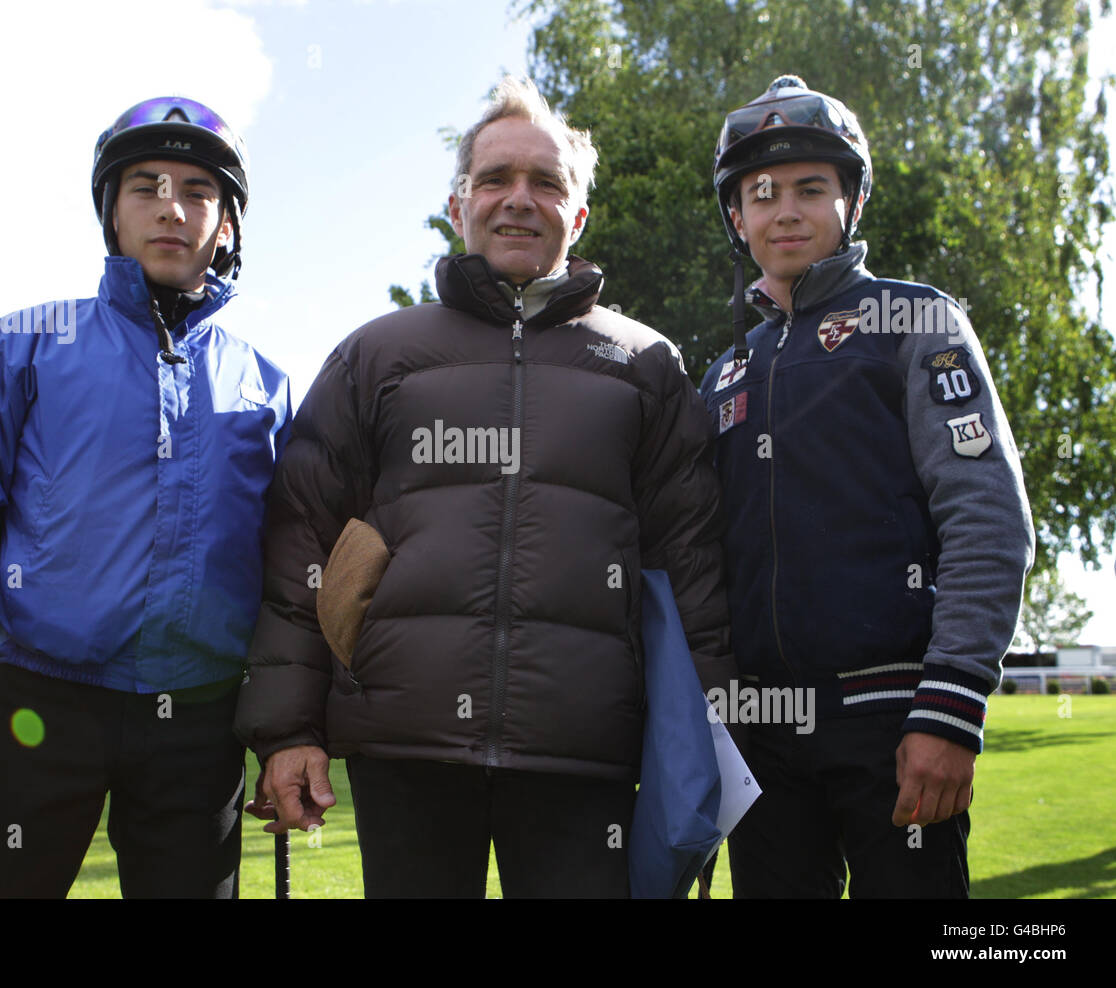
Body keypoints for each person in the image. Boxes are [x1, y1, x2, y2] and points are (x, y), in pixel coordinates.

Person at [235, 75, 734, 898]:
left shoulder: (646, 367)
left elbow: (693, 577)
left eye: (546, 182)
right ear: (458, 203)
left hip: (587, 756)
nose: (518, 199)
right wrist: (288, 729)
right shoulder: (376, 356)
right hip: (407, 749)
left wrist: (704, 753)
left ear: (576, 217)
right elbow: (300, 545)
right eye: (496, 179)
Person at [0, 97, 292, 898]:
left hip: (200, 725)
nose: (172, 206)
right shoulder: (17, 347)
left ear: (229, 223)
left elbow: (291, 570)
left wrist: (287, 728)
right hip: (41, 708)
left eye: (199, 190)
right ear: (110, 212)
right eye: (145, 185)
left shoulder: (268, 386)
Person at [699, 75, 1034, 897]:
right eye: (762, 192)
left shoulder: (916, 324)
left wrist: (951, 707)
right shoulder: (718, 375)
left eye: (812, 188)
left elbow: (987, 519)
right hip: (762, 740)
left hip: (897, 721)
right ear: (737, 218)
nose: (786, 210)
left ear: (851, 201)